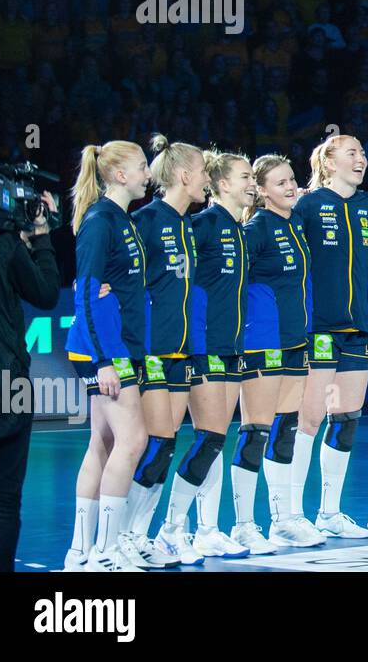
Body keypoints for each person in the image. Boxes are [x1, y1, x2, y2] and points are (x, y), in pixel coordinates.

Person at [123, 136, 213, 567]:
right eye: (202, 172)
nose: (207, 180)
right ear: (183, 176)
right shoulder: (146, 220)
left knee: (167, 443)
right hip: (153, 350)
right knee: (156, 443)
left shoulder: (186, 225)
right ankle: (123, 535)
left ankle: (138, 536)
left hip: (182, 350)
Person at [64, 141, 152, 571]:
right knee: (134, 440)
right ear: (119, 175)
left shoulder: (122, 218)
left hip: (117, 346)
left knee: (103, 442)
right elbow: (84, 292)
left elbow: (115, 284)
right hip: (104, 351)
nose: (147, 173)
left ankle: (80, 552)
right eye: (140, 167)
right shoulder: (101, 221)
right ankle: (106, 550)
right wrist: (103, 361)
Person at [192, 149, 280, 554]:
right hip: (206, 346)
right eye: (245, 177)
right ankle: (199, 529)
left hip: (233, 347)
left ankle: (211, 528)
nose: (252, 184)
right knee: (208, 438)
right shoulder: (203, 225)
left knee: (219, 438)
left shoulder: (241, 231)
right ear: (222, 184)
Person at [294, 134, 368, 538]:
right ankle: (289, 516)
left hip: (356, 329)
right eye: (352, 153)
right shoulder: (307, 205)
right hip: (317, 328)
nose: (361, 159)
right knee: (308, 420)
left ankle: (329, 513)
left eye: (362, 153)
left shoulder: (367, 207)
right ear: (328, 163)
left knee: (345, 420)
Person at [241, 154, 322, 547]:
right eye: (280, 183)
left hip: (295, 340)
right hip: (263, 341)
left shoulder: (297, 224)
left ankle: (283, 519)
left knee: (285, 427)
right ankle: (242, 525)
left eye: (292, 180)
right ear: (261, 191)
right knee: (255, 430)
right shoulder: (256, 228)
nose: (290, 187)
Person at [0, 190, 59, 571]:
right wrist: (41, 235)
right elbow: (46, 293)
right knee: (3, 502)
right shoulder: (4, 246)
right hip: (2, 389)